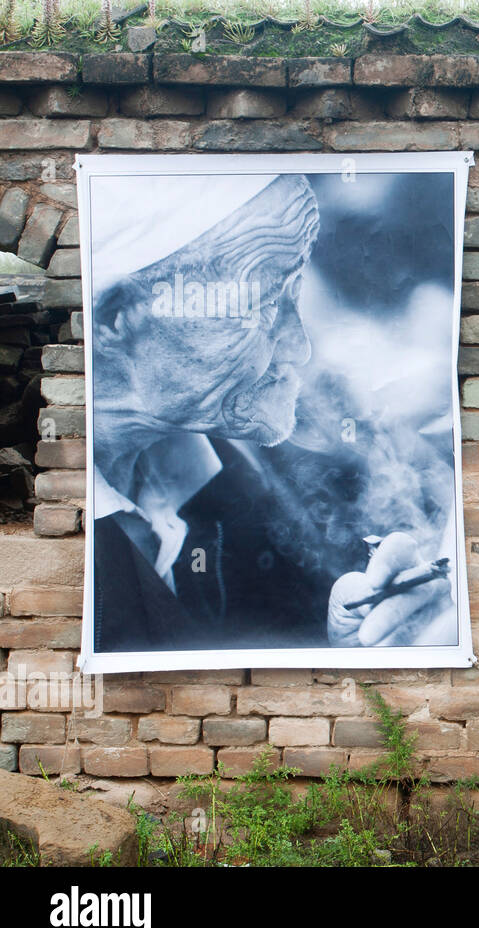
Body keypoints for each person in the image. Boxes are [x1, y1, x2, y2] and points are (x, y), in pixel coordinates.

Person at [89, 173, 450, 653]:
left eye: (294, 293)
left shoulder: (258, 478)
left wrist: (352, 640)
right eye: (256, 307)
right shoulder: (32, 530)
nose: (299, 348)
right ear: (118, 317)